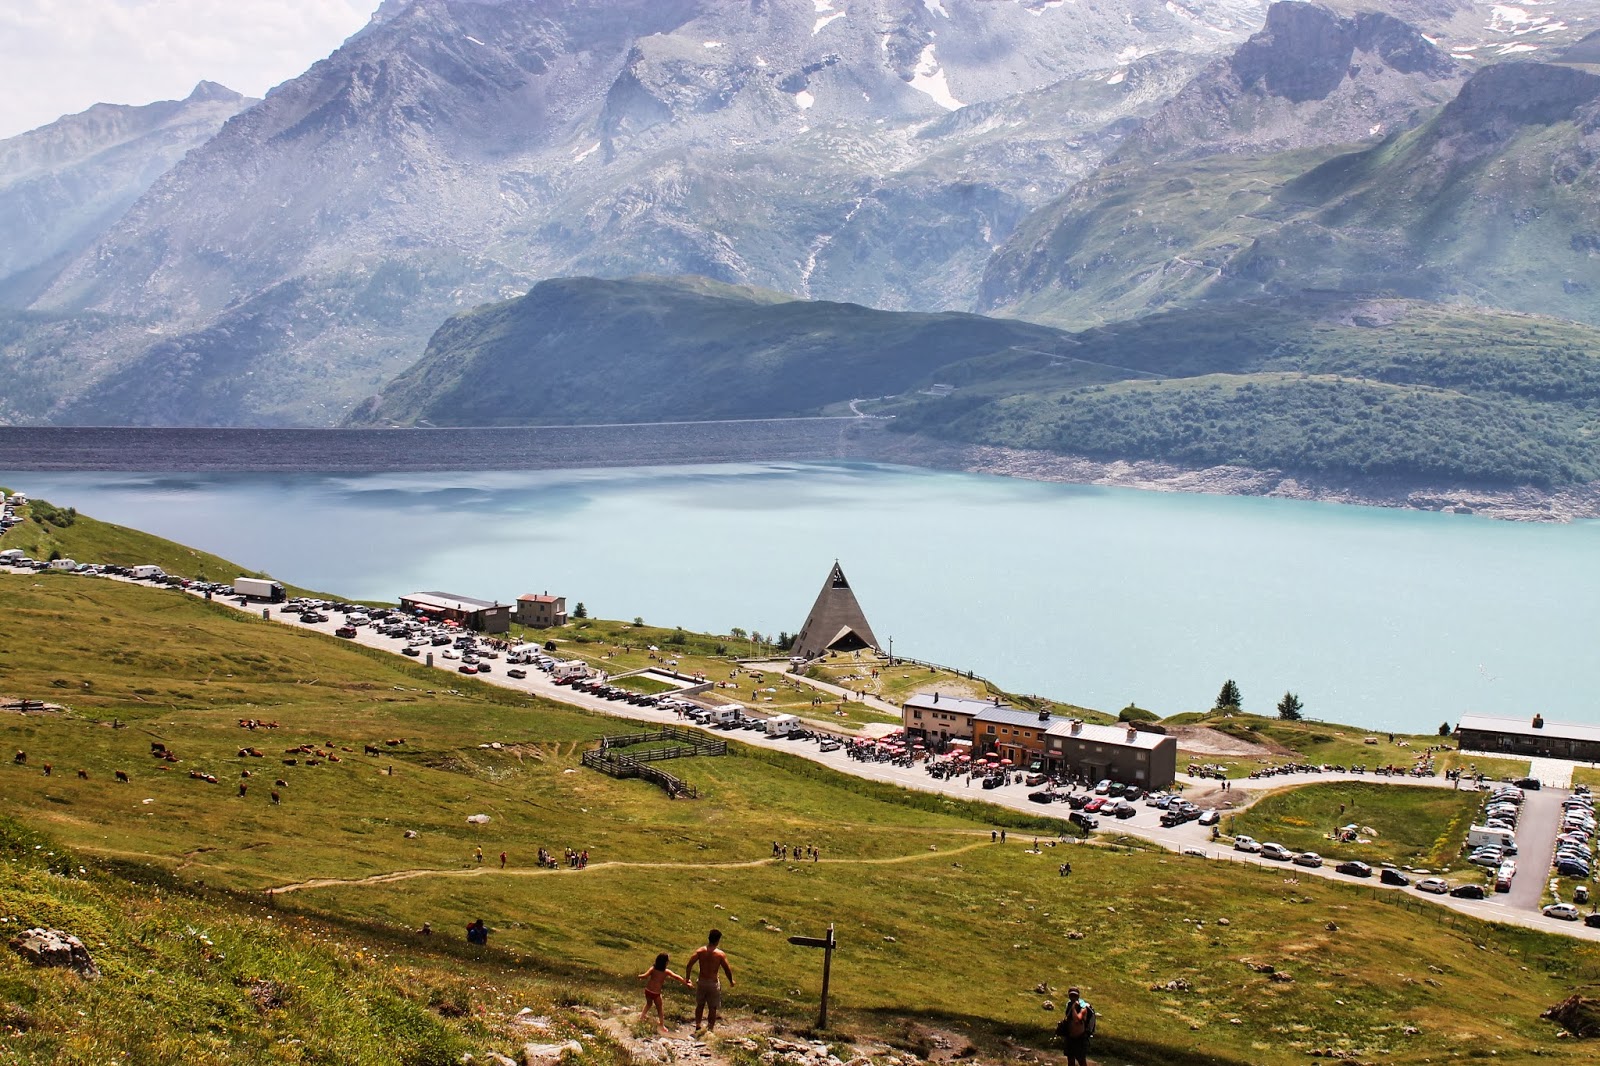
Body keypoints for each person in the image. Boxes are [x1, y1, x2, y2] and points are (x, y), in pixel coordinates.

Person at [684, 929, 735, 1032]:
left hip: (702, 981)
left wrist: (688, 978)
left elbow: (689, 965)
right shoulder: (720, 954)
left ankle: (698, 1025)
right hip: (713, 983)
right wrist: (731, 981)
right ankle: (710, 1028)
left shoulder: (700, 951)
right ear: (718, 940)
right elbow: (727, 969)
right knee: (712, 1007)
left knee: (700, 1005)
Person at [638, 952, 691, 1034]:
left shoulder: (653, 969)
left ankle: (642, 1016)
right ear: (666, 963)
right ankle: (662, 1025)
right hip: (656, 993)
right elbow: (676, 977)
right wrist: (686, 982)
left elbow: (645, 975)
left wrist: (640, 976)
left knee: (648, 1004)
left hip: (648, 990)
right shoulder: (666, 971)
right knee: (660, 1009)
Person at [1055, 988, 1095, 1066]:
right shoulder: (1069, 1005)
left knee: (1081, 1061)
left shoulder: (1083, 1008)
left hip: (1080, 1038)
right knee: (1070, 1060)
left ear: (1078, 996)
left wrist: (1073, 1008)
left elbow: (1077, 1019)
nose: (1073, 998)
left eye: (1075, 996)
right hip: (1070, 1037)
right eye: (1071, 995)